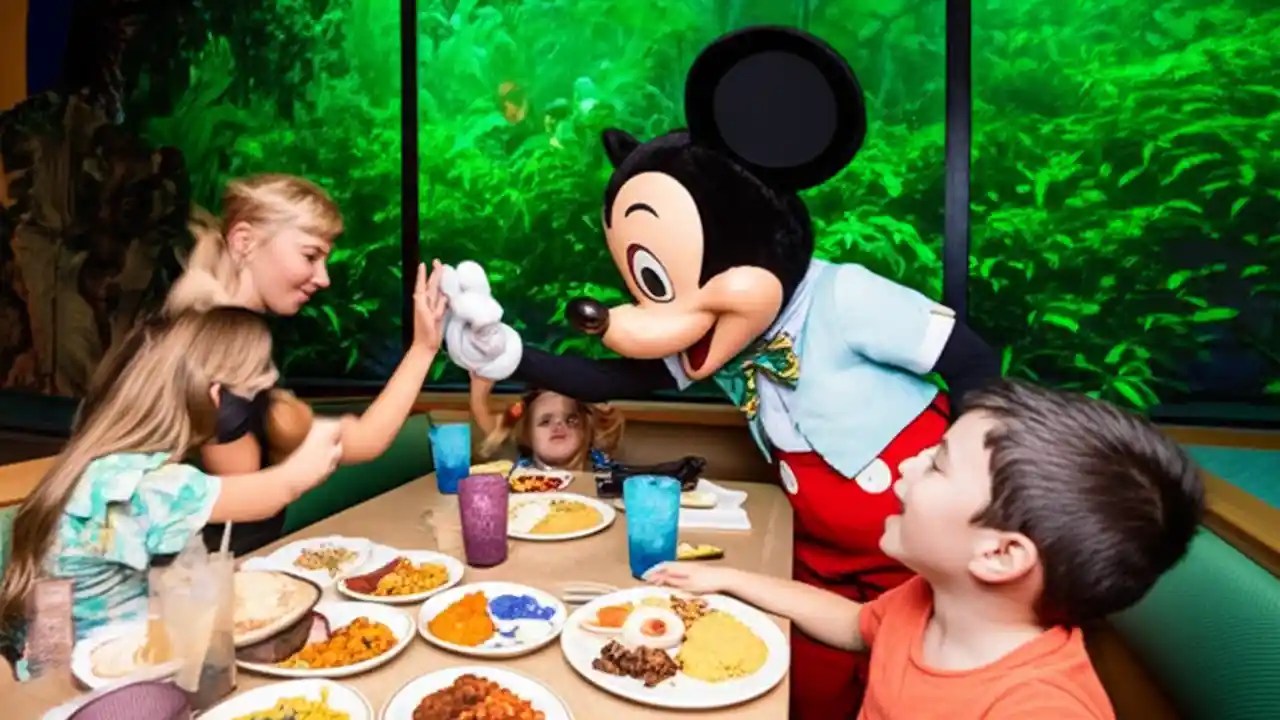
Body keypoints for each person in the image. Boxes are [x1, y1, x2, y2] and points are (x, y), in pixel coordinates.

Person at [646, 379, 1204, 720]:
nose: (909, 464)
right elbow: (855, 623)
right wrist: (733, 581)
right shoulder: (929, 604)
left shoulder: (1038, 708)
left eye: (937, 463)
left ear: (1000, 556)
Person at [81, 173, 448, 555]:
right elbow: (246, 509)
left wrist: (423, 347)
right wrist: (296, 468)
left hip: (228, 576)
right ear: (244, 242)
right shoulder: (210, 355)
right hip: (177, 591)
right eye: (310, 255)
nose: (323, 278)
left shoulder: (233, 352)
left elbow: (364, 442)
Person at [0, 308, 344, 680]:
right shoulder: (151, 488)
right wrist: (325, 435)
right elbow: (280, 489)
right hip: (106, 679)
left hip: (50, 670)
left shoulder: (97, 471)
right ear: (211, 397)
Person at [468, 373, 624, 472]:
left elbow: (610, 418)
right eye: (545, 422)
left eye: (571, 420)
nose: (558, 426)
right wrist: (478, 393)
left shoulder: (603, 469)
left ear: (586, 431)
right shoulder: (518, 473)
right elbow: (494, 429)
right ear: (527, 435)